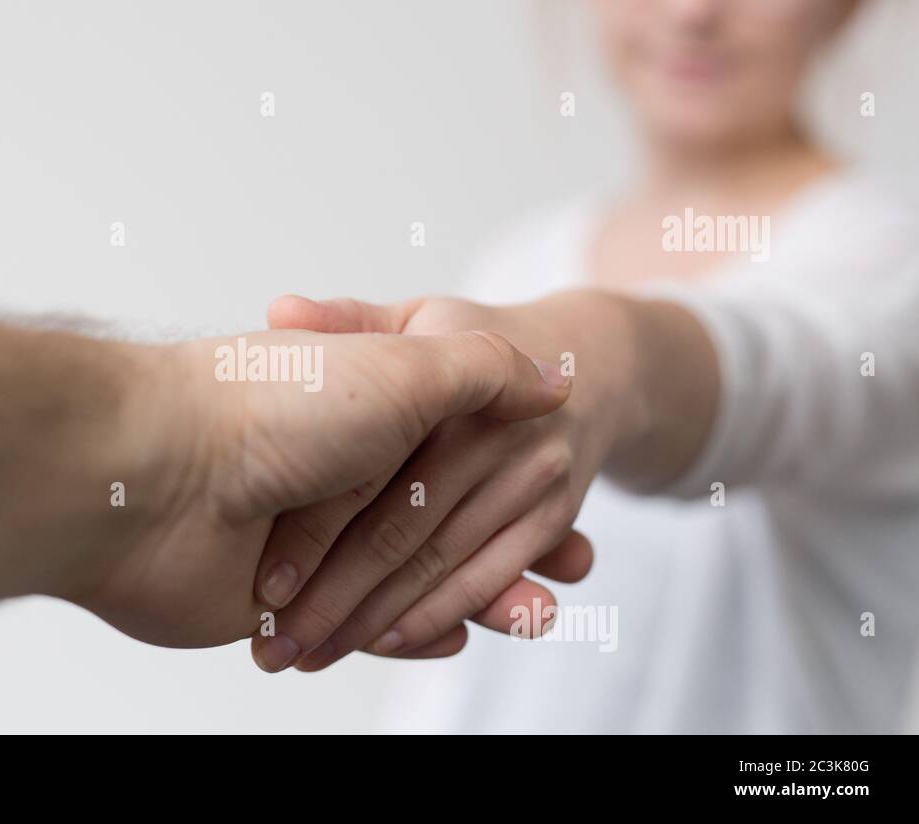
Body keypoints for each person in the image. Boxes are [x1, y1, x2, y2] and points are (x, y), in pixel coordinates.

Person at [0, 185, 588, 732]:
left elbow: (729, 359)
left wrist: (563, 373)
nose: (690, 11)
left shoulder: (562, 281)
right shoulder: (525, 251)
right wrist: (191, 448)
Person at [261, 0, 919, 733]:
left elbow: (773, 374)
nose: (693, 12)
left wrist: (601, 358)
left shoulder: (891, 258)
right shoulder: (518, 261)